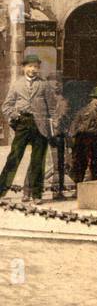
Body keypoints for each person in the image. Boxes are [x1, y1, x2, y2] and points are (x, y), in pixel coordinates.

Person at [0, 51, 57, 202]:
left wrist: (52, 125)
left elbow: (52, 108)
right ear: (24, 68)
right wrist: (15, 116)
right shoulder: (17, 85)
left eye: (36, 67)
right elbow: (6, 106)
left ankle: (36, 195)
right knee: (14, 158)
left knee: (38, 161)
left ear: (39, 69)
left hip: (41, 126)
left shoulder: (44, 85)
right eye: (30, 66)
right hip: (23, 124)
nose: (33, 69)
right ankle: (1, 192)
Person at [69, 87, 97, 184]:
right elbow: (74, 126)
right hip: (83, 140)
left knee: (95, 163)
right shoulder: (83, 110)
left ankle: (94, 185)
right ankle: (79, 186)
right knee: (81, 162)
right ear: (92, 98)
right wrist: (73, 141)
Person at [46, 71, 70, 199]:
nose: (56, 84)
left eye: (59, 82)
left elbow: (66, 116)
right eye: (53, 82)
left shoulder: (63, 100)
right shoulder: (43, 98)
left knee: (59, 164)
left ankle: (58, 191)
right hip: (44, 135)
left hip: (59, 135)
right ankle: (31, 191)